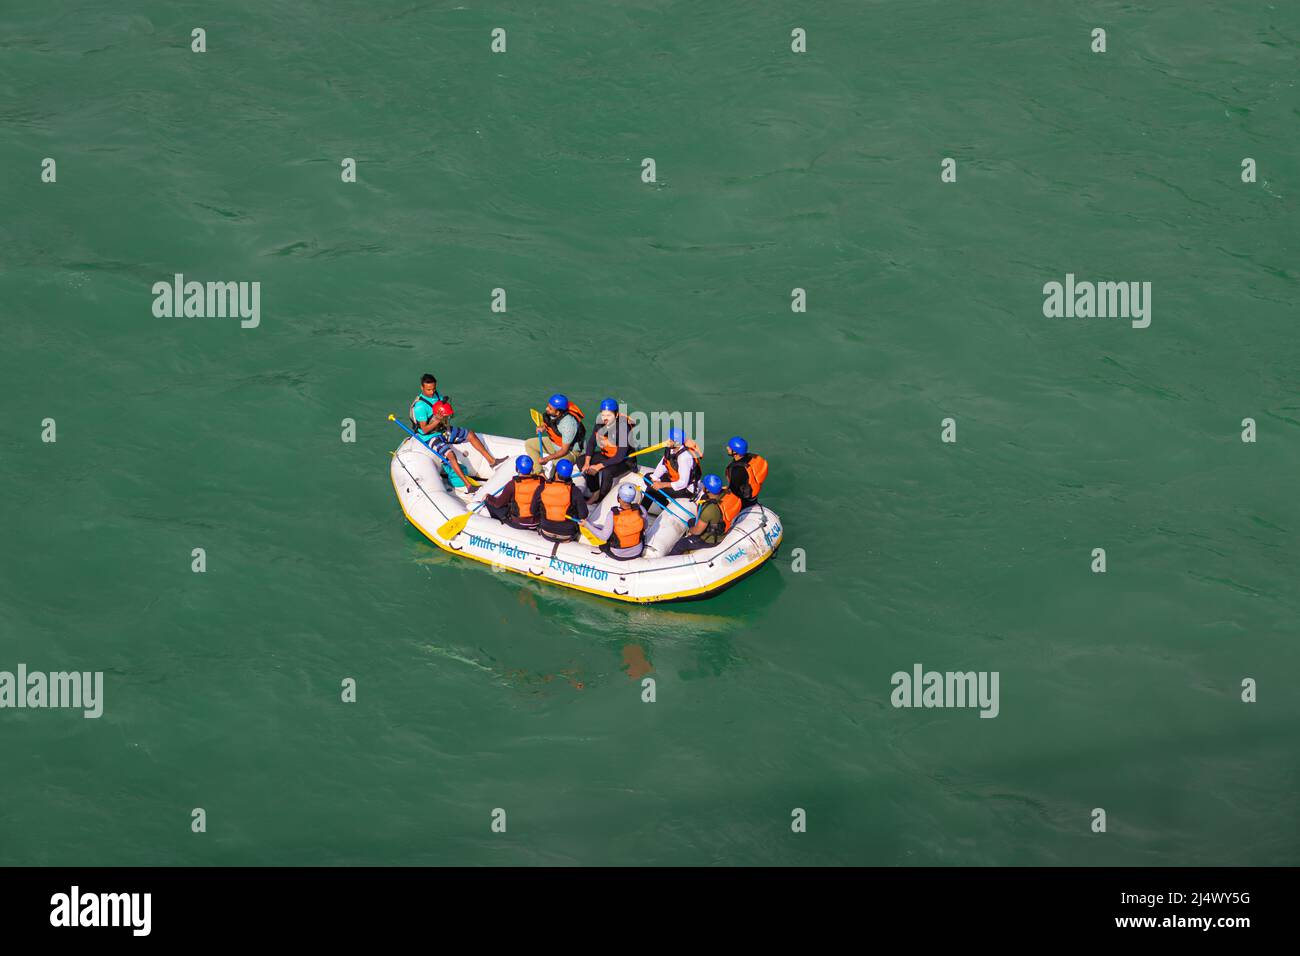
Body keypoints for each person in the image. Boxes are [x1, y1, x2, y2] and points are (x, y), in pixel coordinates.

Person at [410, 373, 506, 468]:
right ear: (422, 388)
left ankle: (492, 462)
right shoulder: (420, 406)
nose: (432, 392)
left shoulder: (436, 394)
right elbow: (425, 430)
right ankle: (467, 483)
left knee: (470, 434)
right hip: (429, 436)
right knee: (451, 455)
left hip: (442, 429)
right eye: (429, 389)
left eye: (434, 388)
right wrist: (437, 421)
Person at [580, 397, 635, 504]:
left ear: (617, 415)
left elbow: (619, 456)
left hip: (624, 461)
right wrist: (587, 462)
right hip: (607, 455)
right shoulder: (599, 424)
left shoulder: (623, 429)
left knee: (607, 472)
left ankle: (601, 499)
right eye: (603, 415)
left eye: (609, 415)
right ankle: (595, 492)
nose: (605, 418)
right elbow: (591, 443)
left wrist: (598, 466)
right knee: (581, 460)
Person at [524, 393, 585, 475]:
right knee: (529, 444)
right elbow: (552, 423)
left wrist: (547, 459)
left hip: (571, 451)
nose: (546, 408)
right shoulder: (553, 414)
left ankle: (552, 481)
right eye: (548, 406)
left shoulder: (568, 424)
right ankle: (540, 473)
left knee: (556, 462)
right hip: (555, 444)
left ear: (558, 412)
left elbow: (564, 450)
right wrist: (543, 427)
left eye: (550, 408)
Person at [668, 474, 729, 555]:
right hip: (720, 526)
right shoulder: (724, 495)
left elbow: (697, 531)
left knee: (681, 544)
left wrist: (691, 531)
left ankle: (671, 559)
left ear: (707, 489)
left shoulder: (709, 509)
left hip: (710, 539)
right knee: (691, 521)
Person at [586, 483, 647, 560]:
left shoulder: (613, 514)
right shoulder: (641, 509)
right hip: (638, 551)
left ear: (618, 498)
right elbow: (645, 526)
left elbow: (604, 536)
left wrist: (587, 525)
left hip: (619, 554)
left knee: (603, 544)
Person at [484, 455, 545, 531]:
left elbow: (498, 504)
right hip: (537, 521)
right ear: (532, 468)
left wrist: (488, 497)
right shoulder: (541, 480)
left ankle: (498, 527)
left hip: (519, 523)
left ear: (517, 469)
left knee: (489, 502)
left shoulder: (512, 484)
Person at [537, 459, 589, 543]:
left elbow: (533, 509)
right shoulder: (575, 491)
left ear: (556, 473)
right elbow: (583, 514)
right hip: (567, 534)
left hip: (546, 531)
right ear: (570, 474)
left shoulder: (542, 487)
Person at [645, 428, 702, 504]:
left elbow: (683, 483)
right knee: (648, 478)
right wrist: (654, 477)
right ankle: (651, 505)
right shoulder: (671, 449)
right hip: (675, 479)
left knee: (652, 489)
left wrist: (663, 485)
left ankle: (661, 505)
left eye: (670, 440)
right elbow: (663, 464)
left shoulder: (684, 457)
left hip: (687, 489)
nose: (667, 441)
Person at [723, 435, 768, 508]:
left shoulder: (737, 471)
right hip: (753, 496)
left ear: (735, 452)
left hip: (743, 500)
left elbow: (734, 491)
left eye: (730, 447)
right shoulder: (751, 457)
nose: (727, 448)